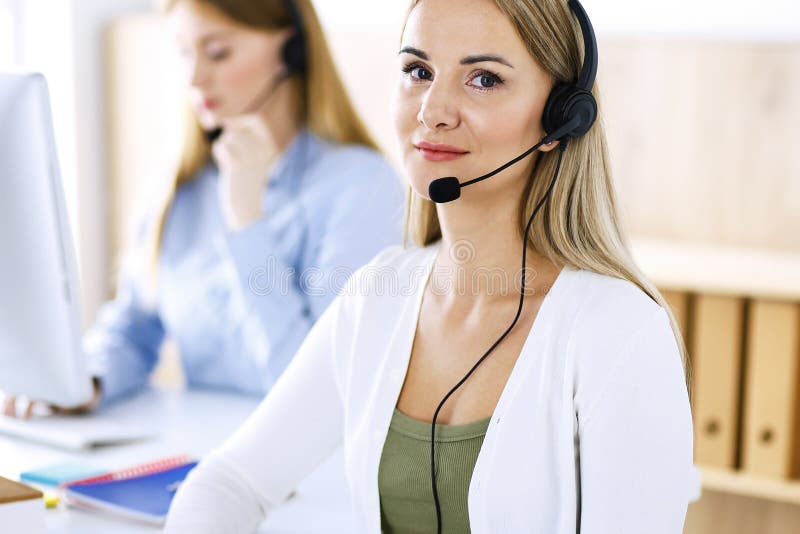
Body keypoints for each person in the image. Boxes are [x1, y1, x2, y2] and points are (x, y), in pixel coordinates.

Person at [164, 0, 695, 532]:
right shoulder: (378, 296)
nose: (433, 110)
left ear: (562, 117)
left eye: (484, 79)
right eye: (418, 72)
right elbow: (230, 480)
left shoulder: (617, 330)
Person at [0, 0, 403, 417]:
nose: (194, 78)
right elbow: (134, 328)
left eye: (217, 53)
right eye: (183, 52)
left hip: (304, 468)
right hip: (201, 454)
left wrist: (247, 221)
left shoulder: (361, 187)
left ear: (292, 49)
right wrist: (86, 382)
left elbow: (319, 391)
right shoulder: (181, 190)